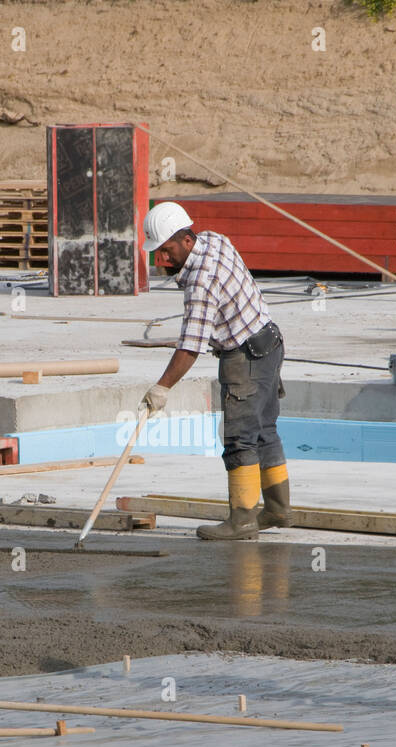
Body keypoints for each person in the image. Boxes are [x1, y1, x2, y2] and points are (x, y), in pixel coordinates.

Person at [139, 202, 290, 541]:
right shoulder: (214, 240)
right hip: (270, 342)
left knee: (239, 438)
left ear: (186, 240)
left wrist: (162, 387)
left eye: (167, 250)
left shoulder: (201, 283)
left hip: (245, 357)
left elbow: (191, 344)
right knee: (265, 430)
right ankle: (278, 510)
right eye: (159, 252)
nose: (163, 259)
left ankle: (243, 521)